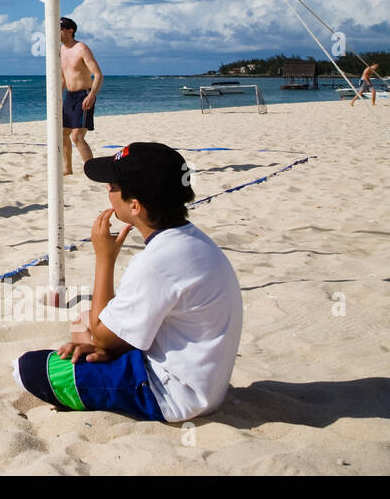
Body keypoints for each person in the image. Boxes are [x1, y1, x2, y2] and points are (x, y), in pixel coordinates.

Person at [12, 142, 243, 423]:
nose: (107, 189)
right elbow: (102, 332)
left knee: (28, 368)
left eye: (112, 185)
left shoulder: (154, 262)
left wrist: (104, 259)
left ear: (135, 206)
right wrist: (102, 344)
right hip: (204, 382)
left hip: (172, 395)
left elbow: (101, 335)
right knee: (83, 323)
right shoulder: (193, 240)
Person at [60, 17, 103, 175]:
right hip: (69, 97)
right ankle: (67, 168)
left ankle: (93, 171)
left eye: (60, 29)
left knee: (77, 137)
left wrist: (92, 95)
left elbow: (98, 74)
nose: (56, 33)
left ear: (69, 31)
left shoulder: (82, 48)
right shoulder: (61, 51)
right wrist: (57, 97)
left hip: (83, 95)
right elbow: (64, 78)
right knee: (63, 134)